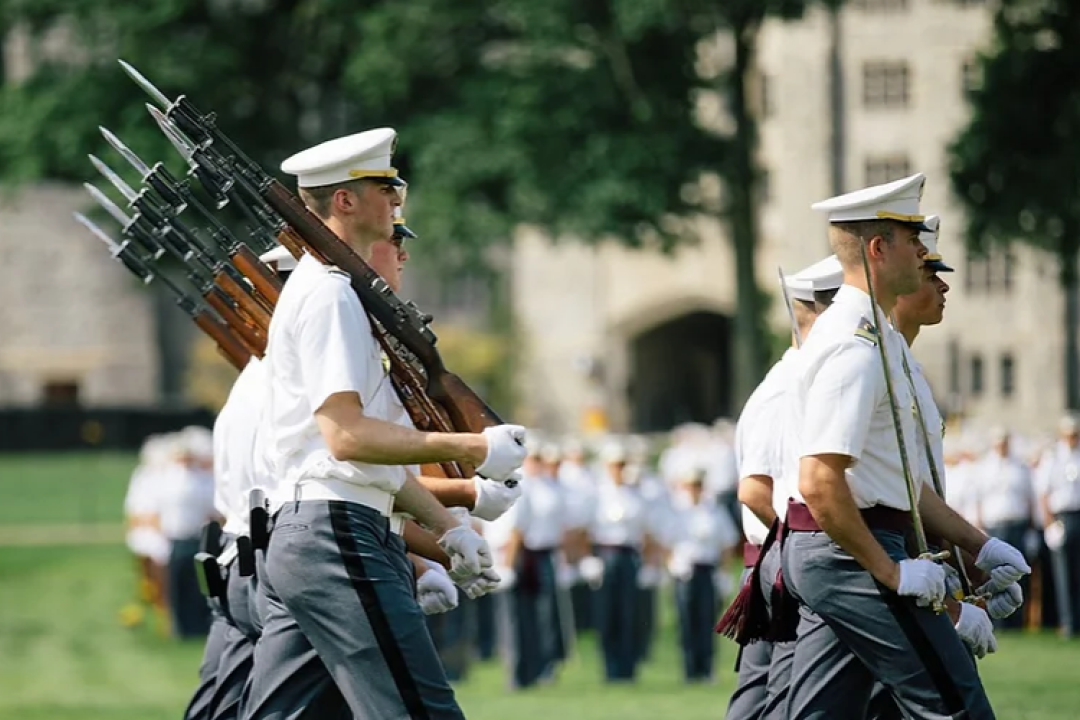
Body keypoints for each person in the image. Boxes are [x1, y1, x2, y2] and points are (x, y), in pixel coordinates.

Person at [242, 127, 528, 720]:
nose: (397, 197)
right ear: (344, 201)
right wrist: (474, 448)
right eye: (384, 186)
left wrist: (449, 528)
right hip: (334, 532)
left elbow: (363, 460)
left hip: (317, 530)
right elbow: (345, 438)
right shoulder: (328, 294)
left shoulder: (331, 291)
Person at [780, 173, 1030, 719]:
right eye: (912, 240)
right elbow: (820, 481)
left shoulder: (877, 341)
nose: (923, 254)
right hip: (852, 549)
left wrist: (979, 547)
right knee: (956, 706)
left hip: (848, 547)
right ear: (877, 248)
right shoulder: (855, 347)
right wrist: (893, 573)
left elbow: (899, 481)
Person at [724, 254, 842, 719]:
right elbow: (755, 491)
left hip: (783, 561)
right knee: (774, 703)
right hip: (782, 564)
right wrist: (800, 550)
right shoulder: (786, 387)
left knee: (769, 701)